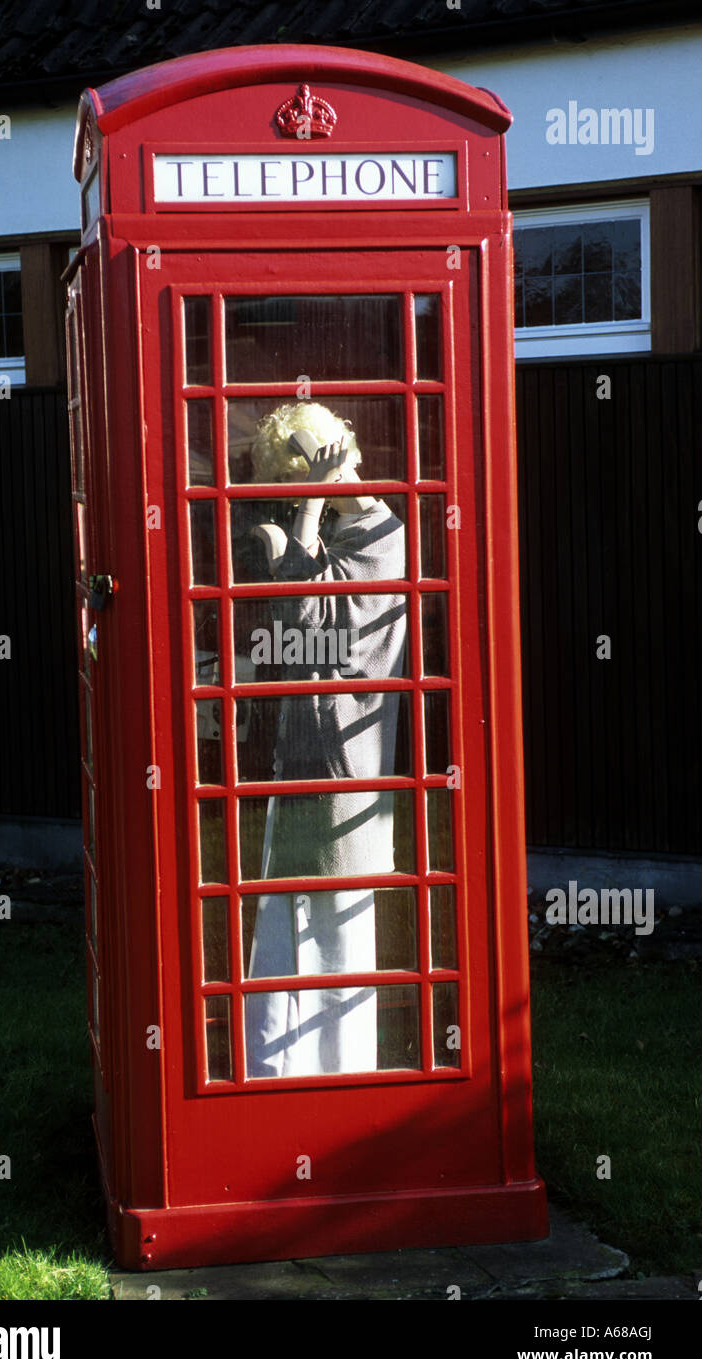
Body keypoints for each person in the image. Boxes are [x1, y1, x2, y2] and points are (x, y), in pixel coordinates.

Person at [243, 401, 407, 1078]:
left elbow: (308, 621)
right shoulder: (340, 538)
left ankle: (331, 1078)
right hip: (309, 765)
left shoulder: (380, 536)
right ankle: (283, 1074)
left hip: (345, 775)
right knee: (289, 929)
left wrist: (304, 514)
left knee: (335, 938)